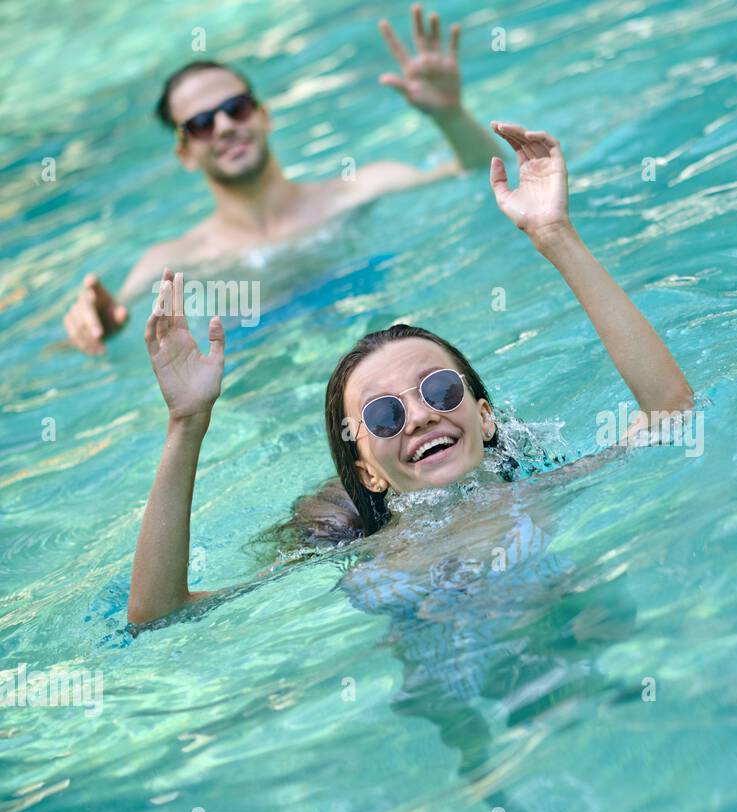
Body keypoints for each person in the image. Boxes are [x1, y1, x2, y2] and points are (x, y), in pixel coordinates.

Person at [126, 122, 694, 626]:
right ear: (368, 475)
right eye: (384, 414)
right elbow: (160, 617)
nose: (421, 415)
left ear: (485, 417)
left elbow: (671, 412)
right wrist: (186, 422)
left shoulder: (549, 488)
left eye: (440, 389)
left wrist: (557, 238)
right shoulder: (364, 557)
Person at [62, 5, 501, 355]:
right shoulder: (171, 264)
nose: (224, 126)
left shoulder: (360, 190)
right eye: (199, 123)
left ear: (263, 116)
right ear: (185, 152)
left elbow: (482, 174)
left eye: (236, 108)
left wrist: (450, 115)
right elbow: (105, 327)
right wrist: (99, 324)